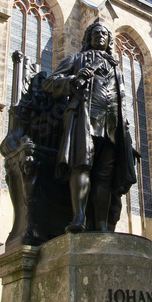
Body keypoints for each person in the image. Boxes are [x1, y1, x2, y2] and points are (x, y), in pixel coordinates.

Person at [43, 21, 138, 233]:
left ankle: (103, 225)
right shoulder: (76, 59)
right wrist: (74, 79)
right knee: (81, 164)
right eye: (95, 33)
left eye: (104, 34)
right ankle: (79, 218)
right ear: (88, 38)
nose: (100, 36)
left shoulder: (115, 67)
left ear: (109, 40)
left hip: (112, 125)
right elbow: (50, 83)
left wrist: (126, 132)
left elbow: (120, 101)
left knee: (105, 176)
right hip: (84, 118)